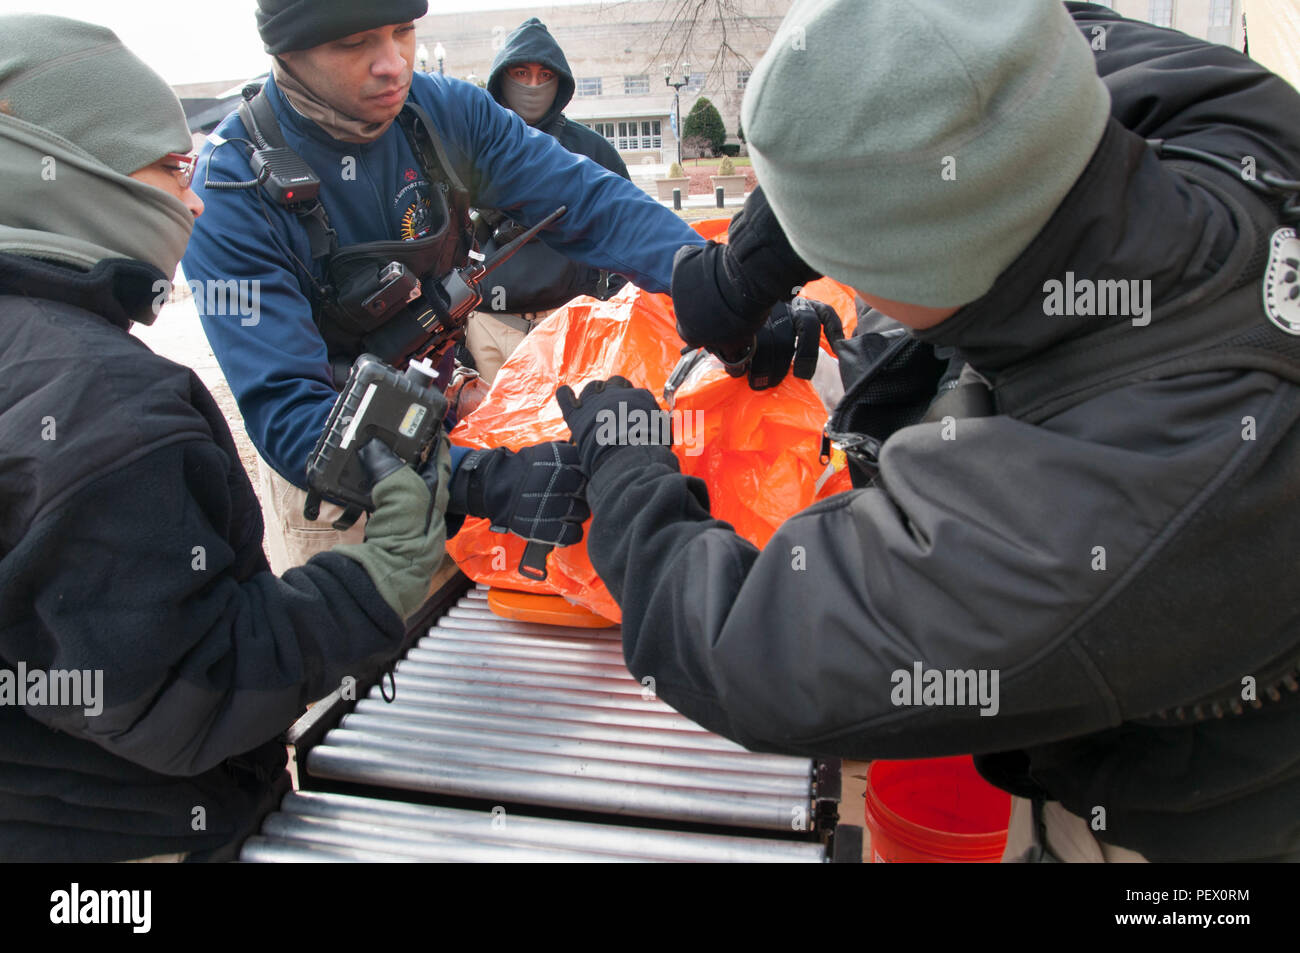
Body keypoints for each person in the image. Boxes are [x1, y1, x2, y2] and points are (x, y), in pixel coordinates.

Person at [557, 0, 1300, 862]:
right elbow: (981, 49)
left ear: (909, 265)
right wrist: (744, 268)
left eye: (844, 261)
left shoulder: (1105, 508)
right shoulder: (1233, 120)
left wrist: (625, 466)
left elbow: (746, 653)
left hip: (1201, 835)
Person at [0, 14, 588, 863]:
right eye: (171, 171)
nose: (195, 199)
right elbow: (193, 690)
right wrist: (374, 583)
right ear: (72, 172)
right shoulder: (106, 410)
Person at [183, 0, 703, 574]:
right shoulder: (231, 186)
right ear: (287, 51)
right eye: (354, 44)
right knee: (363, 652)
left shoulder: (444, 113)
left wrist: (711, 279)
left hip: (449, 420)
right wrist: (477, 480)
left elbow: (587, 199)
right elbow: (289, 411)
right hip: (336, 485)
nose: (392, 64)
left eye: (403, 31)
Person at [464, 16, 633, 384]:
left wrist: (609, 314)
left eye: (544, 75)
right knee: (494, 440)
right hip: (488, 328)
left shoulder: (590, 150)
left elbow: (630, 231)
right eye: (521, 73)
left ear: (560, 81)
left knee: (567, 437)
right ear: (502, 79)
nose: (533, 84)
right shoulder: (468, 150)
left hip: (569, 326)